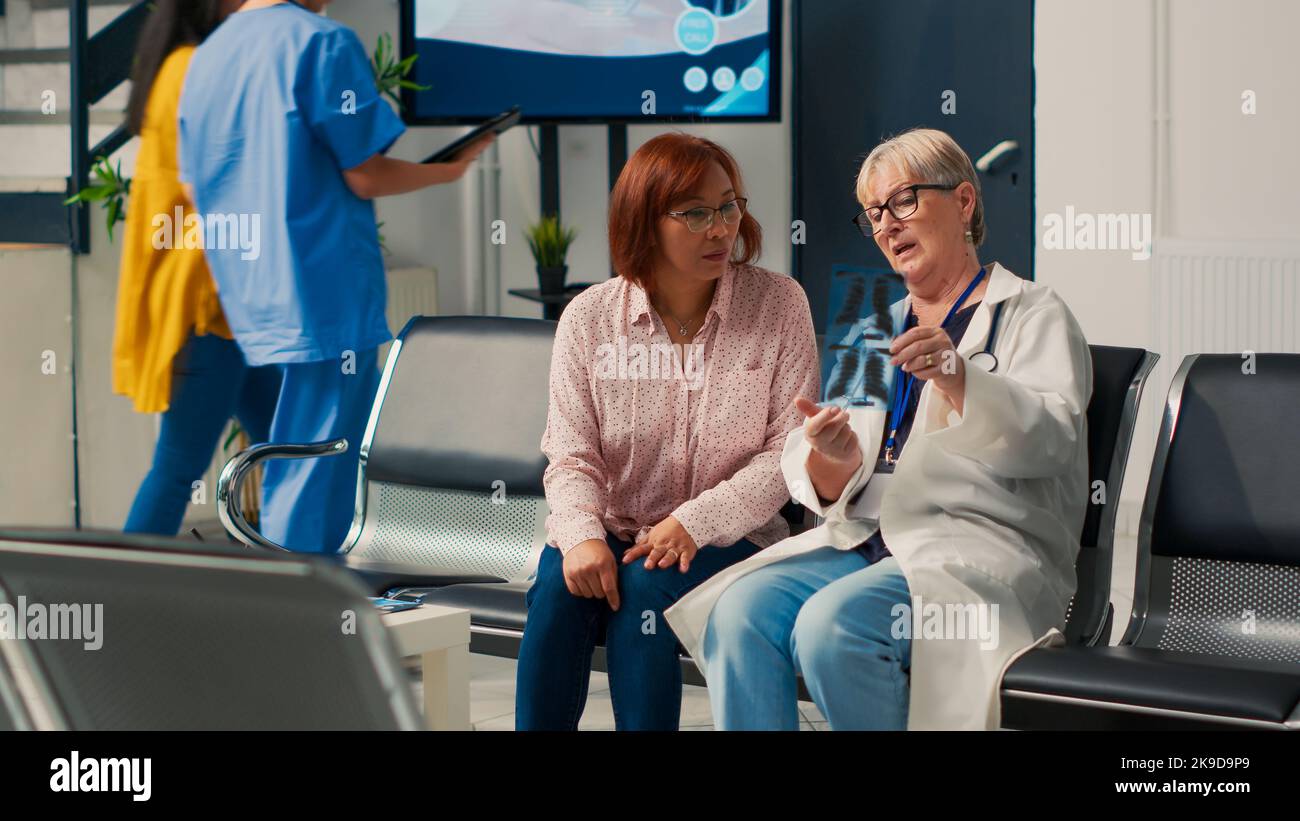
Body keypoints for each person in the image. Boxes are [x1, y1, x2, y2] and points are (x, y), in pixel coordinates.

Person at [665, 127, 1093, 730]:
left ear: (965, 202)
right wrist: (832, 458)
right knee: (740, 611)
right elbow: (834, 485)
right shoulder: (871, 330)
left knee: (831, 627)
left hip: (973, 551)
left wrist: (959, 377)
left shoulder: (1029, 313)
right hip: (863, 542)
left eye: (905, 201)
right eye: (874, 213)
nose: (888, 224)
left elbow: (1053, 442)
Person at [516, 133, 819, 730]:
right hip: (611, 526)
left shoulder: (780, 304)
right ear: (644, 222)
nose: (720, 229)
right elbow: (572, 457)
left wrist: (692, 523)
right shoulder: (589, 318)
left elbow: (785, 456)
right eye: (696, 213)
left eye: (729, 207)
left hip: (733, 537)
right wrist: (579, 536)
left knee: (642, 592)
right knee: (556, 594)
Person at [177, 0, 492, 552]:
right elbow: (365, 174)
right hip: (320, 292)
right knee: (318, 463)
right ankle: (304, 612)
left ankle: (317, 600)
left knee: (299, 452)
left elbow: (192, 186)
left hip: (250, 291)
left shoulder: (207, 56)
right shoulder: (322, 43)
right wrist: (446, 171)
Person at [116, 0, 282, 536]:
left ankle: (310, 586)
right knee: (178, 467)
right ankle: (119, 600)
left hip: (223, 308)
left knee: (292, 450)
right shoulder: (192, 66)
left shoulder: (177, 64)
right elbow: (210, 177)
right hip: (208, 305)